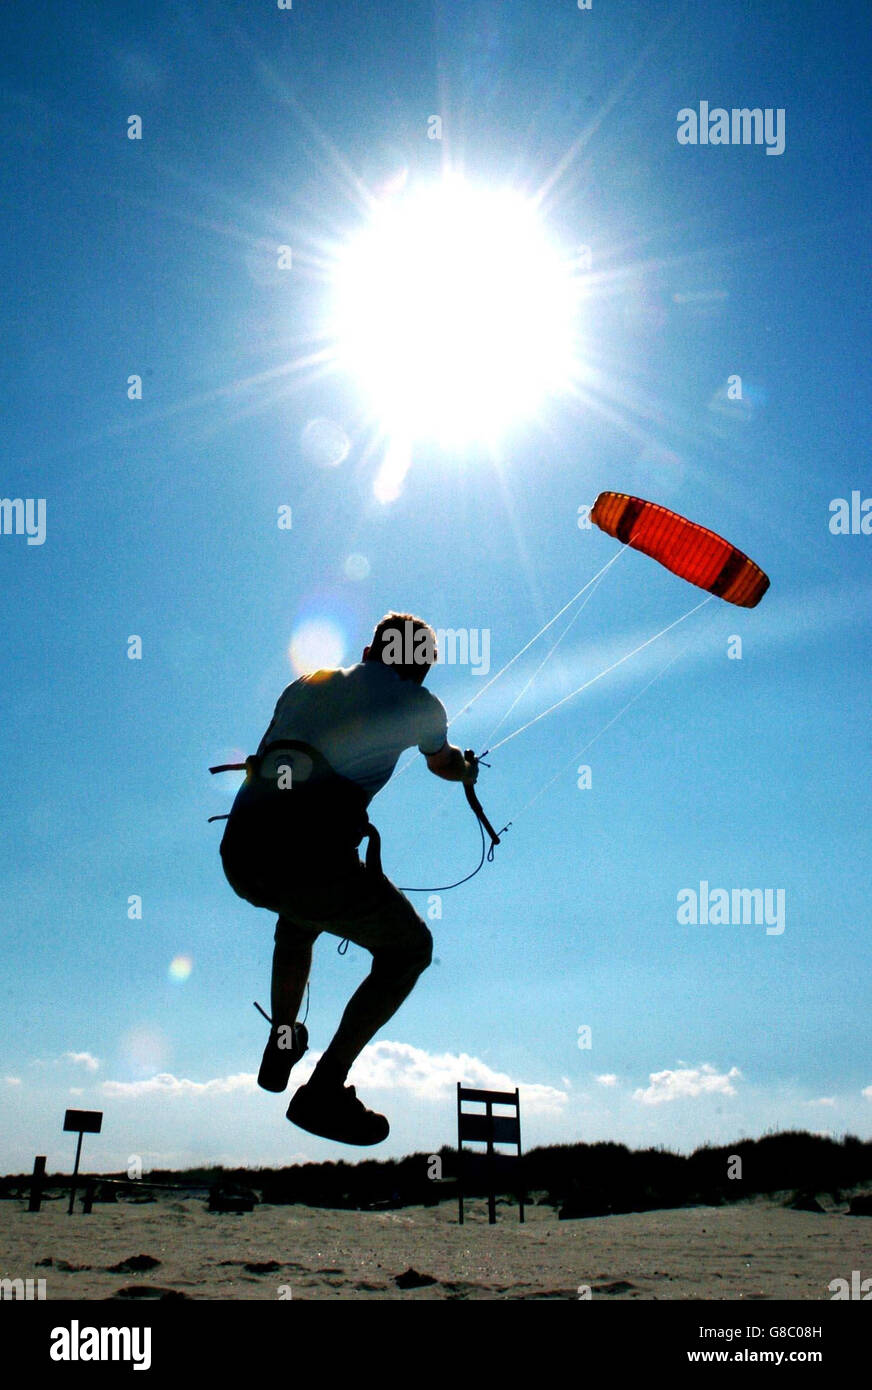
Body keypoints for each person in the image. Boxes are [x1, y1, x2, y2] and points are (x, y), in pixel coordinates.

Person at [219, 612, 478, 1146]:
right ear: (423, 669)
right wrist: (468, 769)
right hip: (312, 863)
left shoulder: (305, 683)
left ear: (367, 650)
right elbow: (444, 764)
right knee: (409, 950)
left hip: (243, 854)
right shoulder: (423, 707)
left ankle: (283, 1035)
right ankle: (323, 1088)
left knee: (299, 914)